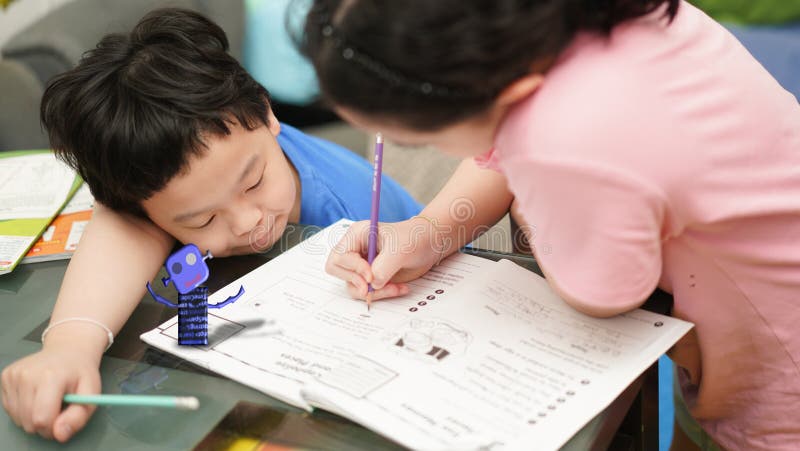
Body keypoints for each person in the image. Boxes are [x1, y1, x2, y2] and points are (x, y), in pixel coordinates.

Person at [302, 1, 800, 450]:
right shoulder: (560, 22)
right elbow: (504, 140)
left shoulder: (569, 141)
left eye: (422, 138)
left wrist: (536, 216)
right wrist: (430, 228)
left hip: (774, 368)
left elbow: (604, 293)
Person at [0, 7, 420, 442]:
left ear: (267, 113)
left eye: (254, 182)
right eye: (202, 219)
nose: (248, 221)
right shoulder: (224, 150)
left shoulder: (346, 216)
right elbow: (126, 228)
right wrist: (70, 348)